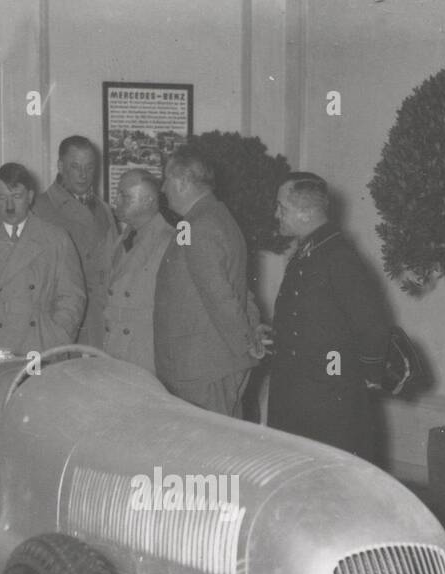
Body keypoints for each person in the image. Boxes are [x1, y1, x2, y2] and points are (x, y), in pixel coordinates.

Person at [268, 172, 392, 459]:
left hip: (327, 395)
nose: (277, 215)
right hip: (300, 389)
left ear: (304, 212)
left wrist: (369, 376)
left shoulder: (337, 256)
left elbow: (372, 326)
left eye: (281, 208)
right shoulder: (311, 250)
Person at [153, 148, 266, 416]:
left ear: (182, 182)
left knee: (204, 451)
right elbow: (240, 289)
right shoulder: (213, 217)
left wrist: (246, 344)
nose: (164, 188)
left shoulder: (200, 225)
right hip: (207, 363)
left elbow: (220, 296)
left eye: (166, 180)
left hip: (202, 368)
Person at [0, 162, 85, 360]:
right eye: (2, 197)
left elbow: (72, 297)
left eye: (16, 197)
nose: (9, 206)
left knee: (33, 391)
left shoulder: (56, 239)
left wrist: (56, 337)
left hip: (39, 347)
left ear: (30, 196)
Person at [31, 135, 116, 344]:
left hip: (99, 321)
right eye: (75, 166)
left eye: (89, 167)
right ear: (60, 166)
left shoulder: (104, 209)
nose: (83, 174)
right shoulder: (39, 209)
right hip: (61, 322)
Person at [93, 169, 173, 372]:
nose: (116, 200)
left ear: (148, 201)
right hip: (116, 346)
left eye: (125, 196)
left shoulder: (169, 241)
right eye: (117, 194)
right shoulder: (123, 239)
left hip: (144, 352)